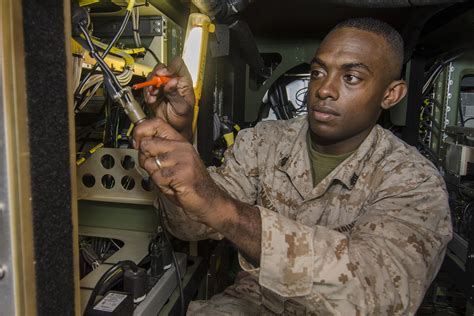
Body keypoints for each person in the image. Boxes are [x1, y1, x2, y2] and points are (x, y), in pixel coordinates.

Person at [133, 17, 452, 315]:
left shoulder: (414, 180)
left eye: (351, 77)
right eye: (318, 72)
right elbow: (190, 226)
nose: (325, 89)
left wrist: (227, 211)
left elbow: (381, 293)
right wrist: (176, 145)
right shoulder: (262, 143)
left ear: (391, 94)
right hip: (256, 300)